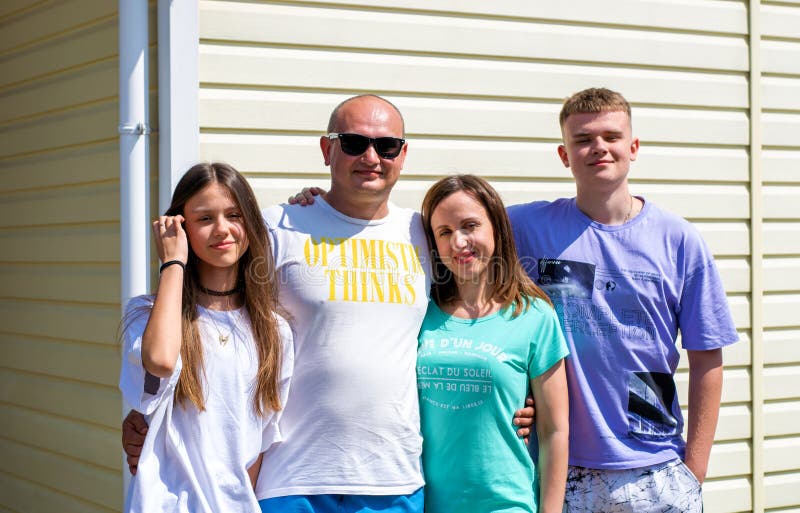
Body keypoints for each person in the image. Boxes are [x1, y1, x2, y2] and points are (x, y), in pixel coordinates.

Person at [121, 95, 535, 513]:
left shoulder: (426, 234)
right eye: (354, 143)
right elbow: (211, 322)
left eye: (386, 146)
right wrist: (152, 416)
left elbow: (470, 320)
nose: (371, 156)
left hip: (393, 480)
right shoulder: (276, 227)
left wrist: (517, 390)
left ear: (403, 155)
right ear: (327, 149)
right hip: (290, 480)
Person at [507, 87, 739, 512]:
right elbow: (459, 225)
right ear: (564, 155)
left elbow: (707, 356)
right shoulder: (526, 228)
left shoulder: (678, 240)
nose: (598, 147)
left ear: (633, 148)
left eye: (611, 137)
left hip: (655, 468)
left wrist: (694, 470)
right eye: (582, 139)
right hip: (561, 468)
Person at [119, 162, 294, 513]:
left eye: (234, 214)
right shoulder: (146, 313)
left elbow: (259, 442)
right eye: (204, 219)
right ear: (180, 228)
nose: (222, 229)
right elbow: (161, 360)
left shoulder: (274, 330)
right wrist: (173, 263)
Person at [418, 174, 569, 513]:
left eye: (470, 226)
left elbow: (555, 431)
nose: (458, 242)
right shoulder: (418, 312)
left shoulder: (534, 316)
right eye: (444, 232)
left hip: (506, 504)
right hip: (425, 504)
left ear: (497, 230)